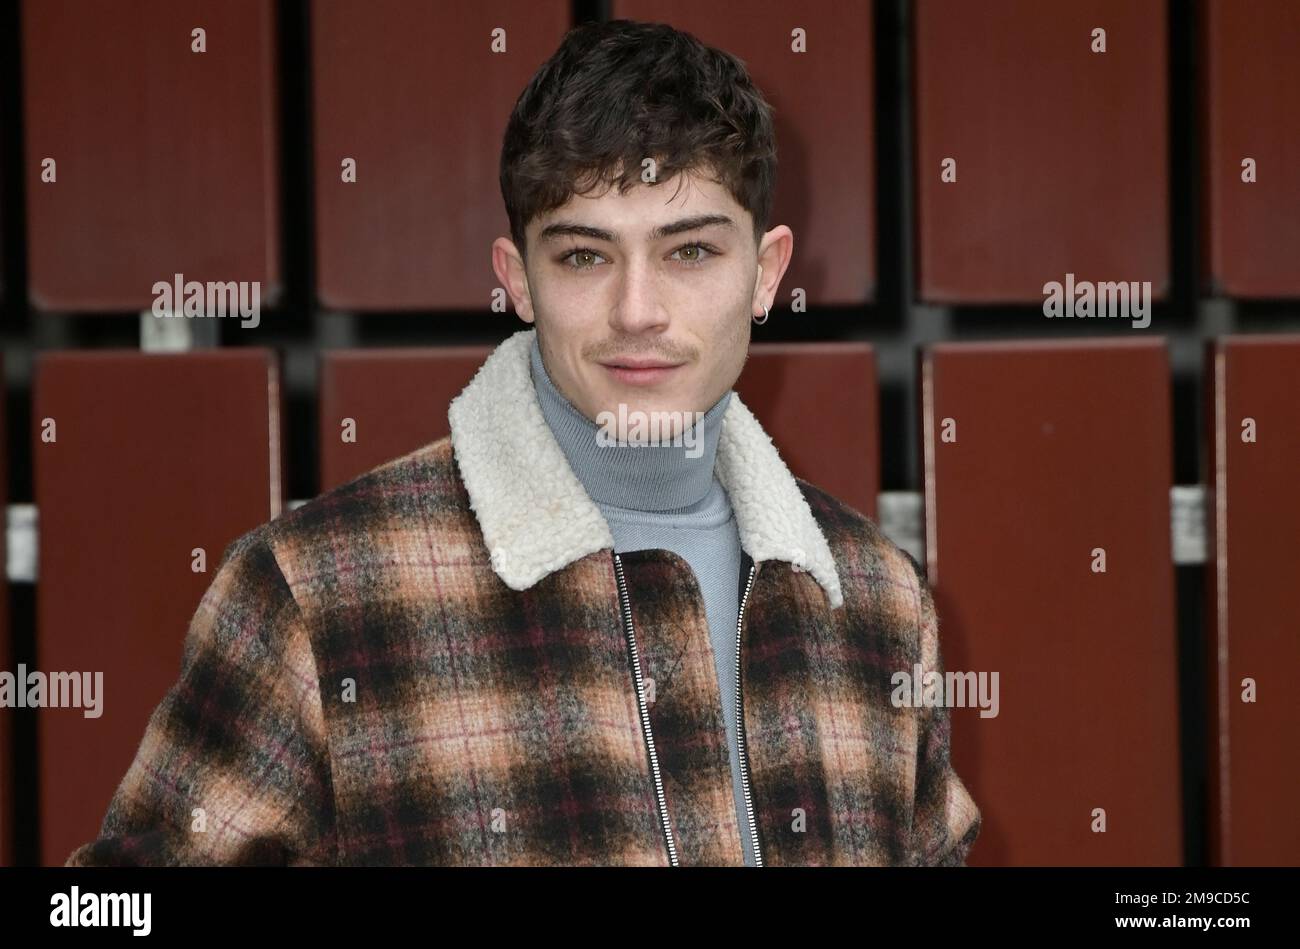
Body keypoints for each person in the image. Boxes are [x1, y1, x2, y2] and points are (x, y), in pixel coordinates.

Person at [67, 18, 979, 866]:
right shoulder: (315, 593)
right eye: (584, 255)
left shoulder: (876, 602)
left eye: (689, 251)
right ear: (519, 281)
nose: (637, 312)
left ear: (767, 272)